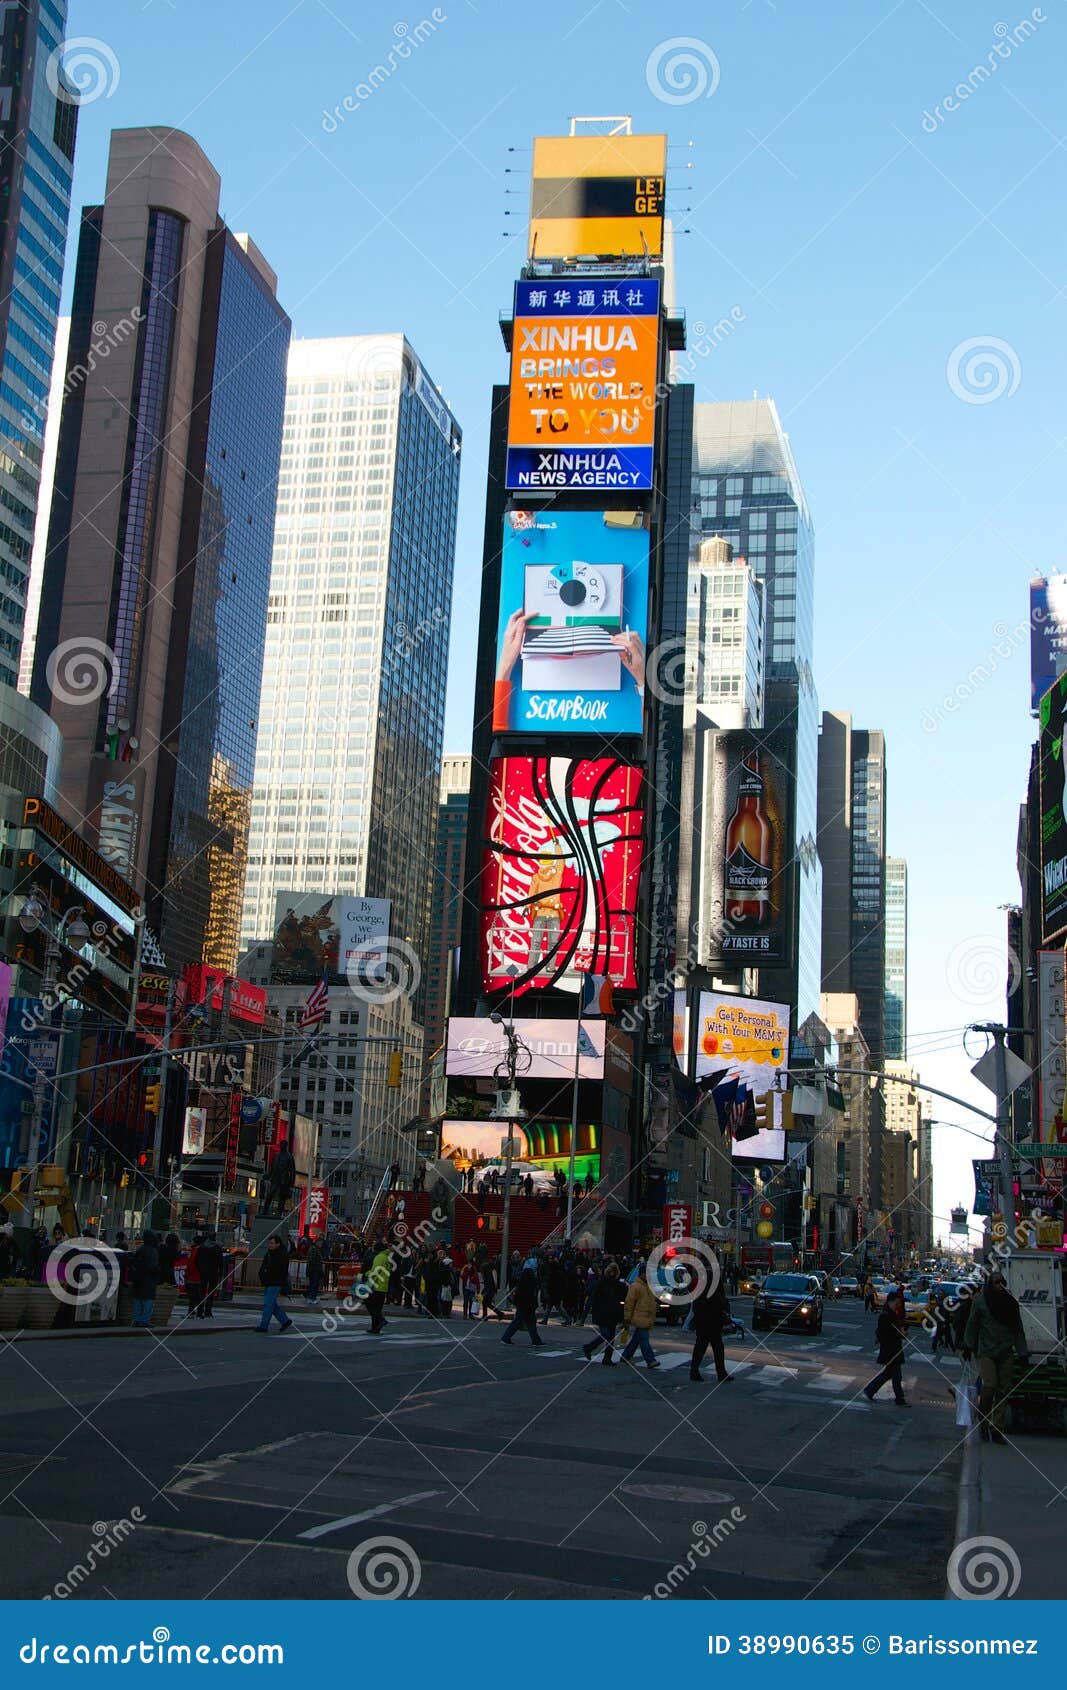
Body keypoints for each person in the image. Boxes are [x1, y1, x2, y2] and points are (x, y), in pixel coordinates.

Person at [962, 1273, 1028, 1444]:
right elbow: (972, 1324)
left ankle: (997, 1428)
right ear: (990, 1284)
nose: (1000, 1285)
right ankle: (983, 1418)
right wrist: (968, 1345)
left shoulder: (1011, 1303)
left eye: (1002, 1282)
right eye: (996, 1282)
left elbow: (1018, 1328)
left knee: (1003, 1389)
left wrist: (1022, 1352)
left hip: (1006, 1350)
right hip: (986, 1350)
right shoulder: (981, 1302)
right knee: (990, 1385)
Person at [863, 1289, 909, 1406]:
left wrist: (901, 1332)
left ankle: (870, 1390)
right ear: (890, 1302)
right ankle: (899, 1399)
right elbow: (885, 1333)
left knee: (889, 1374)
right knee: (896, 1376)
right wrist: (900, 1333)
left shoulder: (891, 1314)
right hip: (891, 1349)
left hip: (892, 1349)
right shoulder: (886, 1315)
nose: (898, 1305)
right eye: (897, 1303)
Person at [690, 1270, 733, 1384]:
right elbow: (721, 1303)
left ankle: (694, 1371)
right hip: (714, 1321)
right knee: (717, 1348)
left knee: (701, 1346)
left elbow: (696, 1304)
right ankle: (721, 1373)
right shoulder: (716, 1287)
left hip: (703, 1321)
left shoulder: (701, 1287)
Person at [582, 1262, 625, 1365]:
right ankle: (589, 1347)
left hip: (611, 1312)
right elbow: (594, 1296)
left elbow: (622, 1297)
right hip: (603, 1312)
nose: (612, 1273)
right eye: (611, 1271)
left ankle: (606, 1358)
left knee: (610, 1337)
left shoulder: (617, 1285)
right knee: (606, 1334)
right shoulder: (601, 1283)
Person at [620, 1263, 661, 1369]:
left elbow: (651, 1300)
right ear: (642, 1274)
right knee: (644, 1339)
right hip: (639, 1317)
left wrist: (655, 1306)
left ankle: (626, 1356)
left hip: (647, 1316)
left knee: (637, 1339)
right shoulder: (635, 1286)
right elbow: (629, 1303)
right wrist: (627, 1318)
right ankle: (650, 1360)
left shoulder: (649, 1286)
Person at [257, 1237, 294, 1332]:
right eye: (270, 1243)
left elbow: (280, 1271)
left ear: (278, 1244)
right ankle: (285, 1321)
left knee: (268, 1304)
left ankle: (264, 1326)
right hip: (270, 1282)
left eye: (272, 1243)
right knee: (272, 1304)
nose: (270, 1245)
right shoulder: (271, 1253)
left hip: (275, 1282)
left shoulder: (281, 1255)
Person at [501, 1263, 543, 1346]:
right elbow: (532, 1297)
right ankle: (535, 1340)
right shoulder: (532, 1284)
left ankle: (535, 1340)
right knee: (527, 1323)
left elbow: (518, 1297)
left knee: (522, 1322)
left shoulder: (521, 1284)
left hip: (522, 1306)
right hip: (528, 1306)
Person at [129, 1232, 161, 1328]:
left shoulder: (140, 1249)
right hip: (149, 1279)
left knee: (138, 1300)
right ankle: (144, 1320)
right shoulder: (153, 1251)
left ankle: (136, 1320)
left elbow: (134, 1262)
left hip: (138, 1278)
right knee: (148, 1301)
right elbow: (153, 1266)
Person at [365, 1238, 393, 1333]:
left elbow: (375, 1272)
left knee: (370, 1305)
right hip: (384, 1286)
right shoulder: (387, 1258)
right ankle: (376, 1328)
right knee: (378, 1308)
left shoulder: (379, 1257)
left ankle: (381, 1320)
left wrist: (366, 1274)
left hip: (376, 1286)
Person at [196, 1232, 224, 1318]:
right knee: (211, 1293)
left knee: (202, 1292)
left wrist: (201, 1269)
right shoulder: (217, 1248)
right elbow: (221, 1262)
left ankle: (200, 1311)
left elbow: (197, 1260)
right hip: (214, 1272)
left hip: (203, 1272)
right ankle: (208, 1311)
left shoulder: (202, 1247)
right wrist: (221, 1272)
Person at [305, 1238, 324, 1303]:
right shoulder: (314, 1249)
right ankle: (312, 1298)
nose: (321, 1245)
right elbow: (312, 1260)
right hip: (314, 1270)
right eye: (321, 1243)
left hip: (314, 1270)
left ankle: (311, 1297)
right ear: (317, 1243)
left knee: (313, 1284)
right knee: (314, 1284)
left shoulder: (314, 1249)